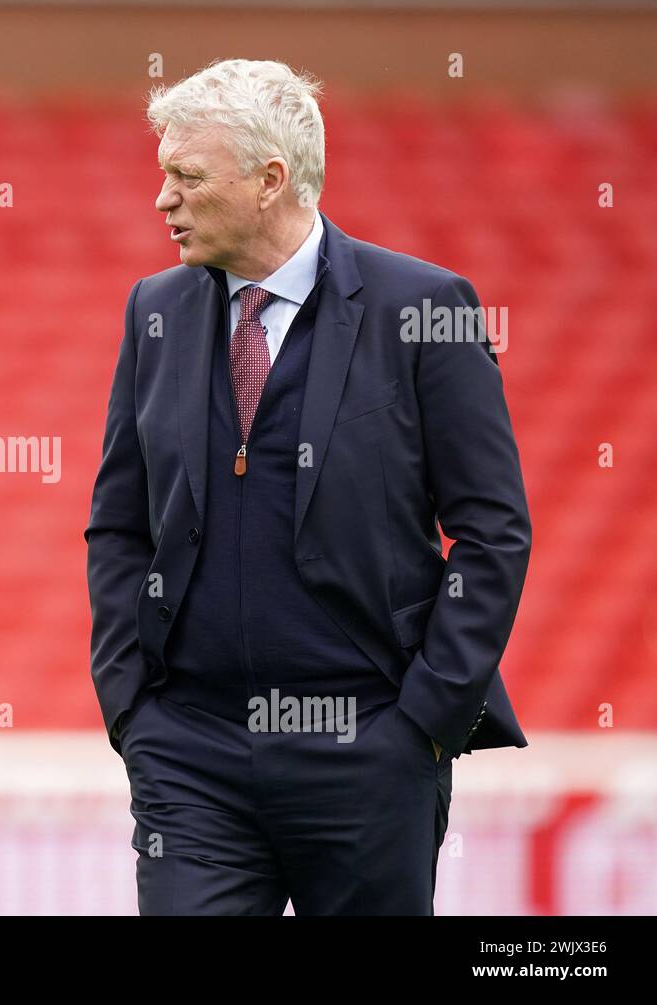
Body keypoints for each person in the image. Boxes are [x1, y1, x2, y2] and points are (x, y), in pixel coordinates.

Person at [86, 59, 531, 915]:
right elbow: (119, 524)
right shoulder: (156, 308)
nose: (162, 199)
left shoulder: (426, 307)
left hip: (370, 747)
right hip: (192, 753)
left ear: (270, 181)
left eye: (185, 175)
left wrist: (423, 722)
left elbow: (493, 529)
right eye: (162, 176)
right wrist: (131, 705)